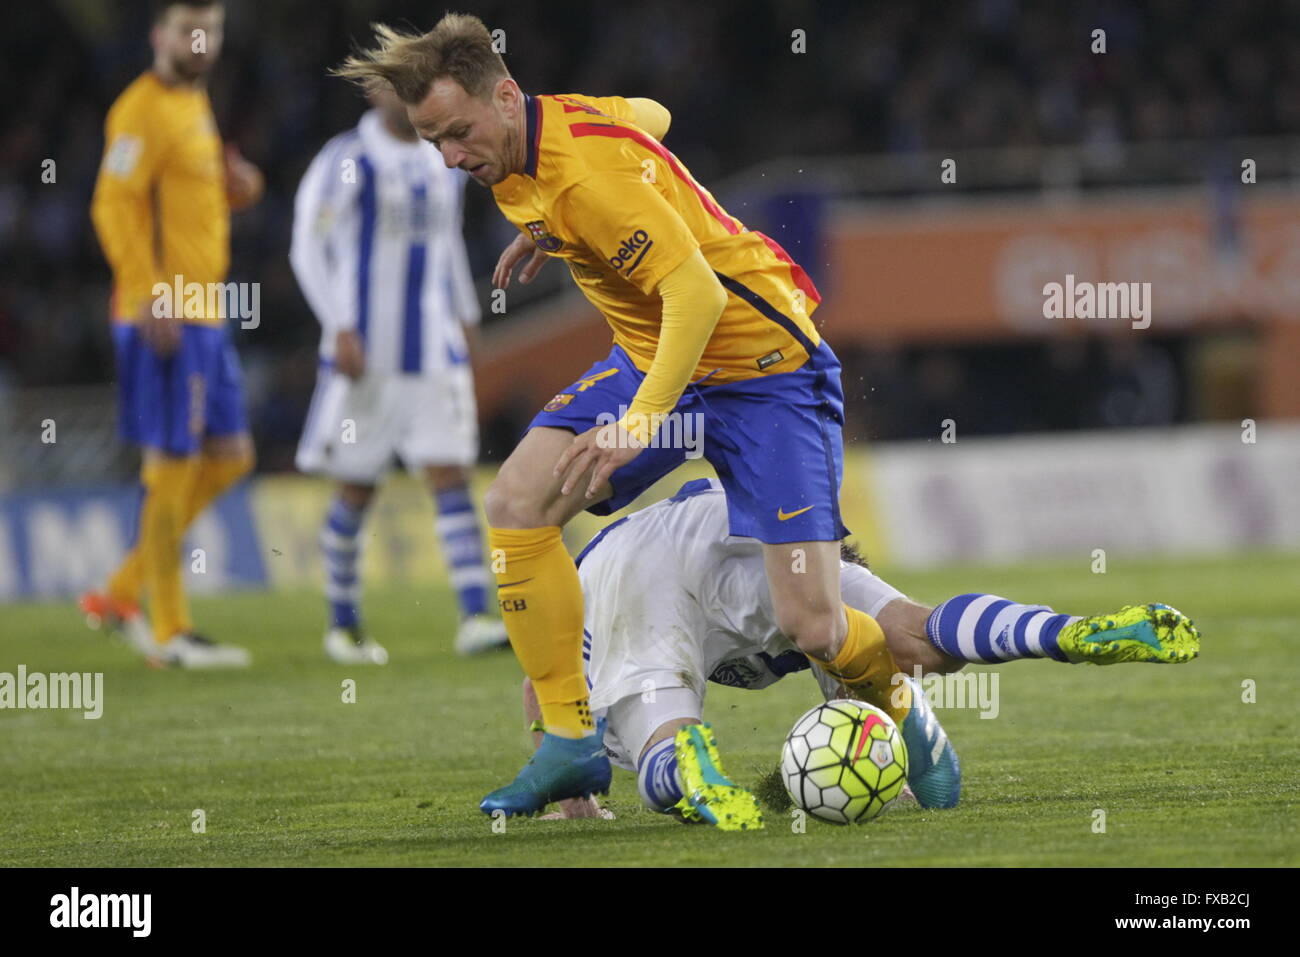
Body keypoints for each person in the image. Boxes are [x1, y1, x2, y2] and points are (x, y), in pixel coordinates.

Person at [335, 14, 888, 817]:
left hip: (754, 360)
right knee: (516, 502)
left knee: (812, 622)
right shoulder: (532, 142)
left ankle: (906, 715)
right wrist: (558, 236)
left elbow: (694, 292)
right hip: (652, 348)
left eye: (457, 133)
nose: (451, 157)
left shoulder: (585, 180)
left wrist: (637, 423)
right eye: (433, 143)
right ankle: (569, 743)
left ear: (505, 95)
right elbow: (650, 115)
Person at [522, 478, 1200, 828]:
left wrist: (573, 782)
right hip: (770, 538)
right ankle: (1056, 632)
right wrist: (913, 747)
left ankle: (685, 762)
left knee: (653, 743)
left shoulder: (588, 614)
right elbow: (942, 781)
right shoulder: (831, 613)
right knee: (916, 634)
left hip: (688, 544)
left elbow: (539, 681)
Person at [290, 84, 507, 662]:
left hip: (433, 348)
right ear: (372, 88)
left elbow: (446, 243)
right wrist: (337, 324)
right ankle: (343, 625)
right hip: (367, 353)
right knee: (357, 485)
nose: (409, 94)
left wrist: (465, 311)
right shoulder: (345, 158)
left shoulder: (443, 158)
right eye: (398, 83)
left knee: (451, 474)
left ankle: (475, 617)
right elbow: (305, 249)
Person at [83, 0, 262, 668]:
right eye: (190, 28)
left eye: (211, 29)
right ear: (160, 35)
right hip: (165, 311)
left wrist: (241, 188)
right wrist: (148, 288)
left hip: (207, 311)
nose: (202, 39)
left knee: (233, 455)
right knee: (173, 464)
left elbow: (194, 197)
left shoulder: (195, 102)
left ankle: (123, 589)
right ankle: (171, 630)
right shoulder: (140, 109)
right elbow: (112, 203)